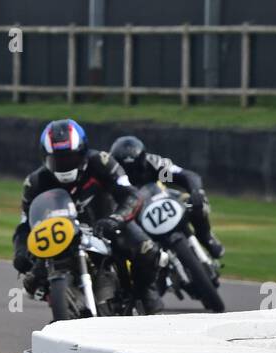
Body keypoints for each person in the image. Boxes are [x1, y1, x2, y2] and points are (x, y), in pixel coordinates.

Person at [11, 119, 164, 314]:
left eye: (70, 158)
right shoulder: (35, 182)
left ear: (82, 152)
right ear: (45, 158)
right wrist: (21, 251)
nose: (64, 165)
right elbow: (25, 224)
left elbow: (131, 195)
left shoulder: (102, 161)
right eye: (57, 160)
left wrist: (116, 218)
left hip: (108, 223)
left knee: (147, 251)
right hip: (63, 237)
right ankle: (65, 311)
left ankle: (145, 292)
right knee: (32, 280)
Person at [109, 135, 225, 259]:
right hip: (138, 214)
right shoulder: (113, 179)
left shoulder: (153, 166)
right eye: (127, 169)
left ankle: (206, 237)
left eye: (136, 167)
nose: (132, 172)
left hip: (166, 199)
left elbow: (183, 176)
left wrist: (196, 191)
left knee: (196, 203)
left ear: (142, 159)